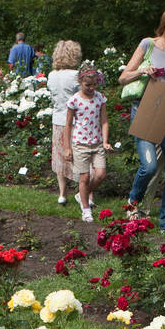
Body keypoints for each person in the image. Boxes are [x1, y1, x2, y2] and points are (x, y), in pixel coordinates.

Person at [118, 4, 165, 236]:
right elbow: (123, 78)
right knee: (149, 165)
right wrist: (143, 70)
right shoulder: (147, 44)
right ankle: (133, 203)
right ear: (164, 24)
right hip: (144, 109)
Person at [64, 63, 110, 222]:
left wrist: (105, 141)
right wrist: (67, 147)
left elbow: (104, 121)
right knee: (84, 177)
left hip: (97, 143)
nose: (91, 88)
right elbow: (68, 125)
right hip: (80, 143)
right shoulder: (74, 100)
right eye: (87, 85)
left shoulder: (100, 98)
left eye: (94, 85)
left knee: (100, 175)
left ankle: (81, 194)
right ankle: (85, 208)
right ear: (80, 81)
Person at [47, 39, 82, 204]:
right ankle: (83, 192)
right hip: (76, 121)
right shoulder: (75, 75)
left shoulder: (52, 75)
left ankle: (62, 193)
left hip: (57, 119)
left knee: (60, 156)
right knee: (80, 156)